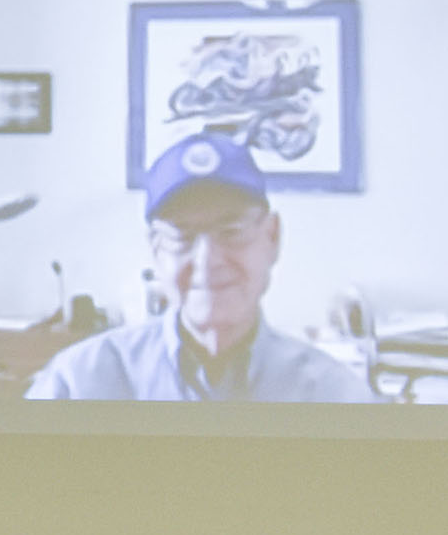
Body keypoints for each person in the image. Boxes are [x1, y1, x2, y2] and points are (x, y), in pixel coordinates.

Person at [26, 132, 374, 403]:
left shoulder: (332, 394)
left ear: (272, 238)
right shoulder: (78, 383)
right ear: (156, 251)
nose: (207, 261)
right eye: (183, 236)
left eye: (232, 232)